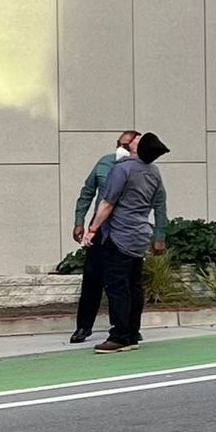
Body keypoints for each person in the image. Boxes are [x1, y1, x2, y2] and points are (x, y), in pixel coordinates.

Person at [83, 132, 171, 353]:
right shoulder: (153, 172)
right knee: (134, 285)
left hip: (119, 235)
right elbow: (157, 202)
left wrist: (92, 230)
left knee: (117, 286)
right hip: (140, 234)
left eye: (137, 141)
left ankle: (119, 336)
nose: (133, 140)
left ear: (136, 149)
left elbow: (108, 203)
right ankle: (132, 333)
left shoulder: (123, 169)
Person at [69, 130, 147, 343]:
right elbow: (87, 192)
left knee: (130, 283)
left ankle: (130, 328)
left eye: (126, 144)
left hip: (127, 232)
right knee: (92, 278)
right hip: (101, 230)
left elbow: (153, 201)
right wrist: (79, 222)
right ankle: (83, 327)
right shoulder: (104, 163)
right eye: (119, 143)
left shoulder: (143, 170)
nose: (121, 147)